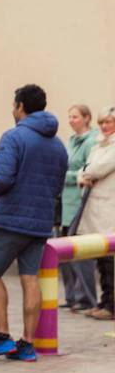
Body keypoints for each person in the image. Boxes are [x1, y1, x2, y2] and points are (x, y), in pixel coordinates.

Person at [0, 84, 68, 361]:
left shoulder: (13, 137)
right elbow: (58, 186)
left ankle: (2, 336)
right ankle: (27, 344)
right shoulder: (59, 145)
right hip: (40, 223)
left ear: (20, 106)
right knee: (30, 278)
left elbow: (3, 178)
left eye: (13, 105)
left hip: (10, 220)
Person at [78, 105, 115, 321]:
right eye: (101, 122)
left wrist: (86, 174)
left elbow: (96, 169)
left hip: (108, 209)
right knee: (101, 260)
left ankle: (111, 306)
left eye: (108, 122)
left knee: (110, 260)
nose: (104, 126)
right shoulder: (98, 144)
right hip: (96, 207)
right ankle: (104, 301)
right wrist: (83, 176)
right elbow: (83, 170)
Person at [61, 104, 98, 313]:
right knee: (64, 252)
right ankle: (72, 296)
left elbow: (85, 173)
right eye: (69, 116)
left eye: (75, 116)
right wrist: (71, 176)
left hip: (79, 202)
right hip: (65, 202)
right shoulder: (71, 141)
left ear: (86, 118)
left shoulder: (91, 142)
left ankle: (86, 298)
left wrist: (68, 177)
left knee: (80, 253)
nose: (71, 120)